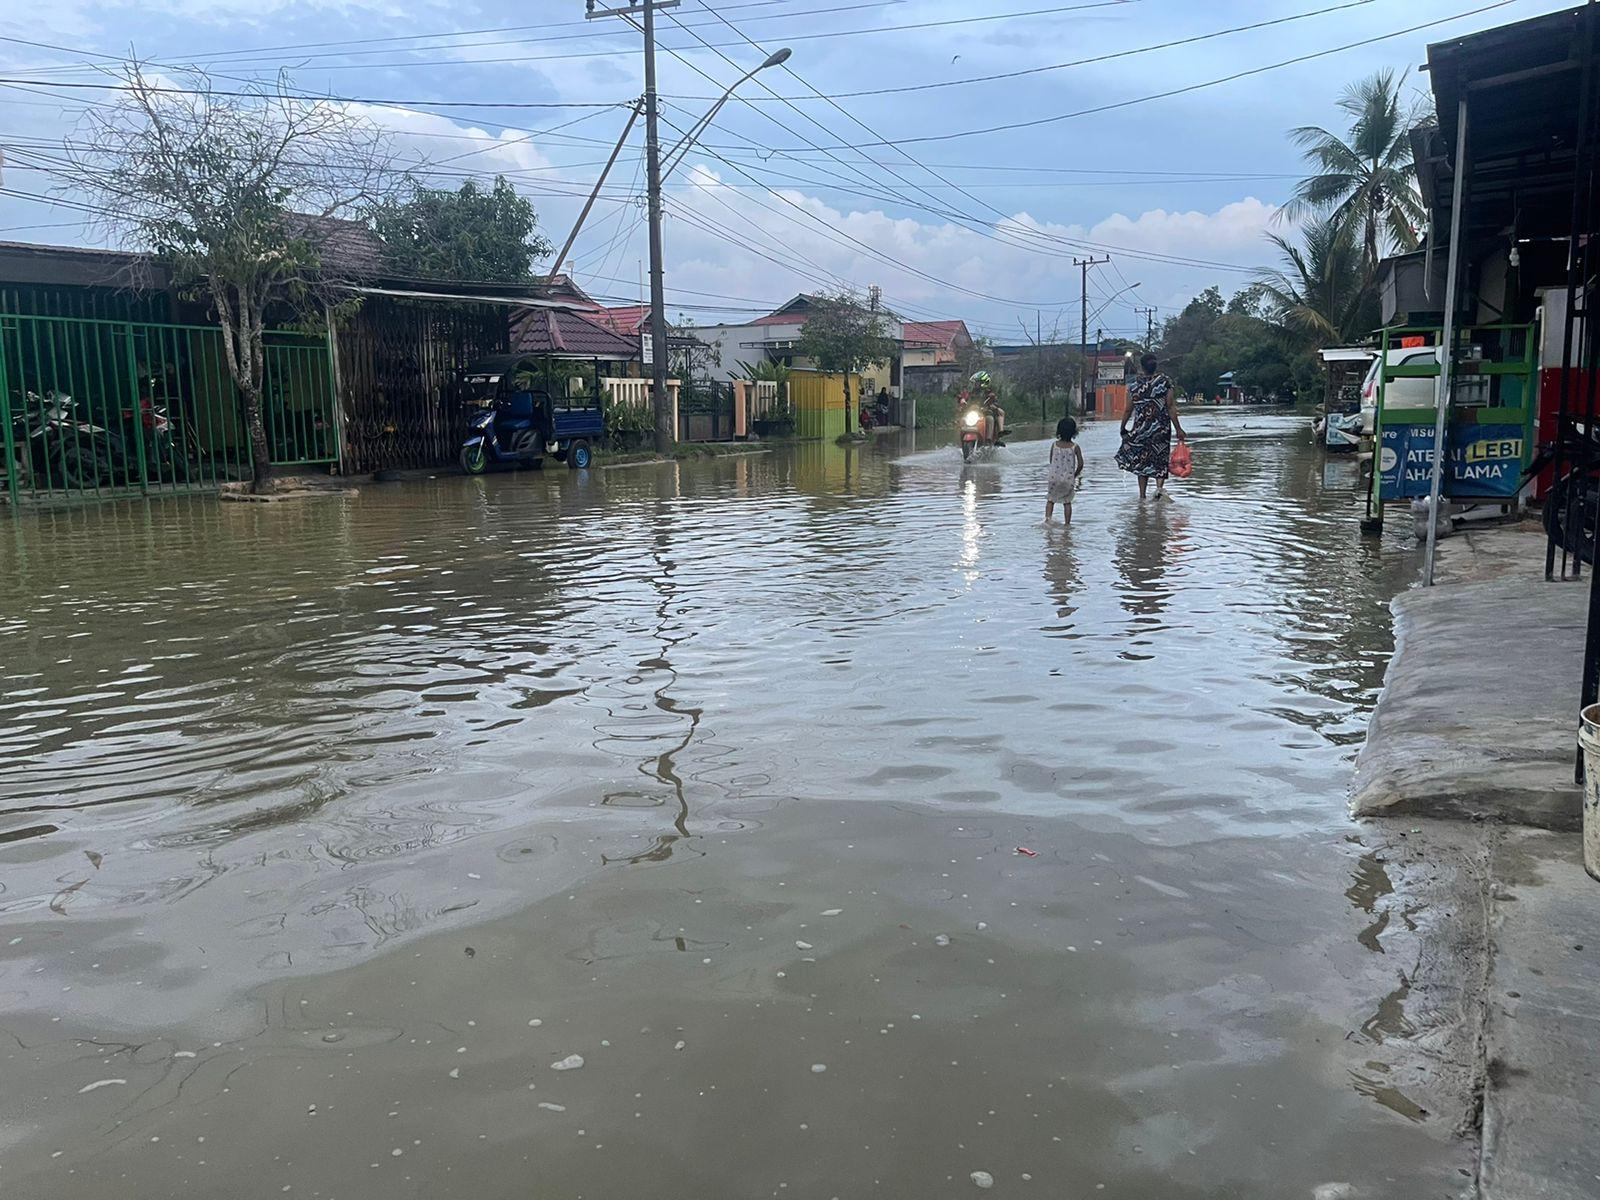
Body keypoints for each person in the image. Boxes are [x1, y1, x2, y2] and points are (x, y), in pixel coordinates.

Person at [1115, 353, 1186, 499]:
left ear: (1142, 367)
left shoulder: (1134, 385)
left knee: (1143, 462)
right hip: (1161, 429)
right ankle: (1159, 490)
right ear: (1155, 366)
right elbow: (1170, 406)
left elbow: (1128, 410)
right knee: (1160, 459)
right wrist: (1178, 429)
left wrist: (1123, 427)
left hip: (1141, 430)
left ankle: (1142, 497)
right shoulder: (1165, 382)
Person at [1045, 416, 1084, 524]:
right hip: (1068, 479)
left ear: (1059, 431)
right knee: (1067, 502)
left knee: (1050, 500)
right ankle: (1067, 524)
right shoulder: (1075, 447)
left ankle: (1048, 521)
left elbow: (1051, 460)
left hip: (1054, 478)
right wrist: (1074, 475)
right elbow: (1081, 464)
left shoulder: (1054, 445)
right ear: (1074, 432)